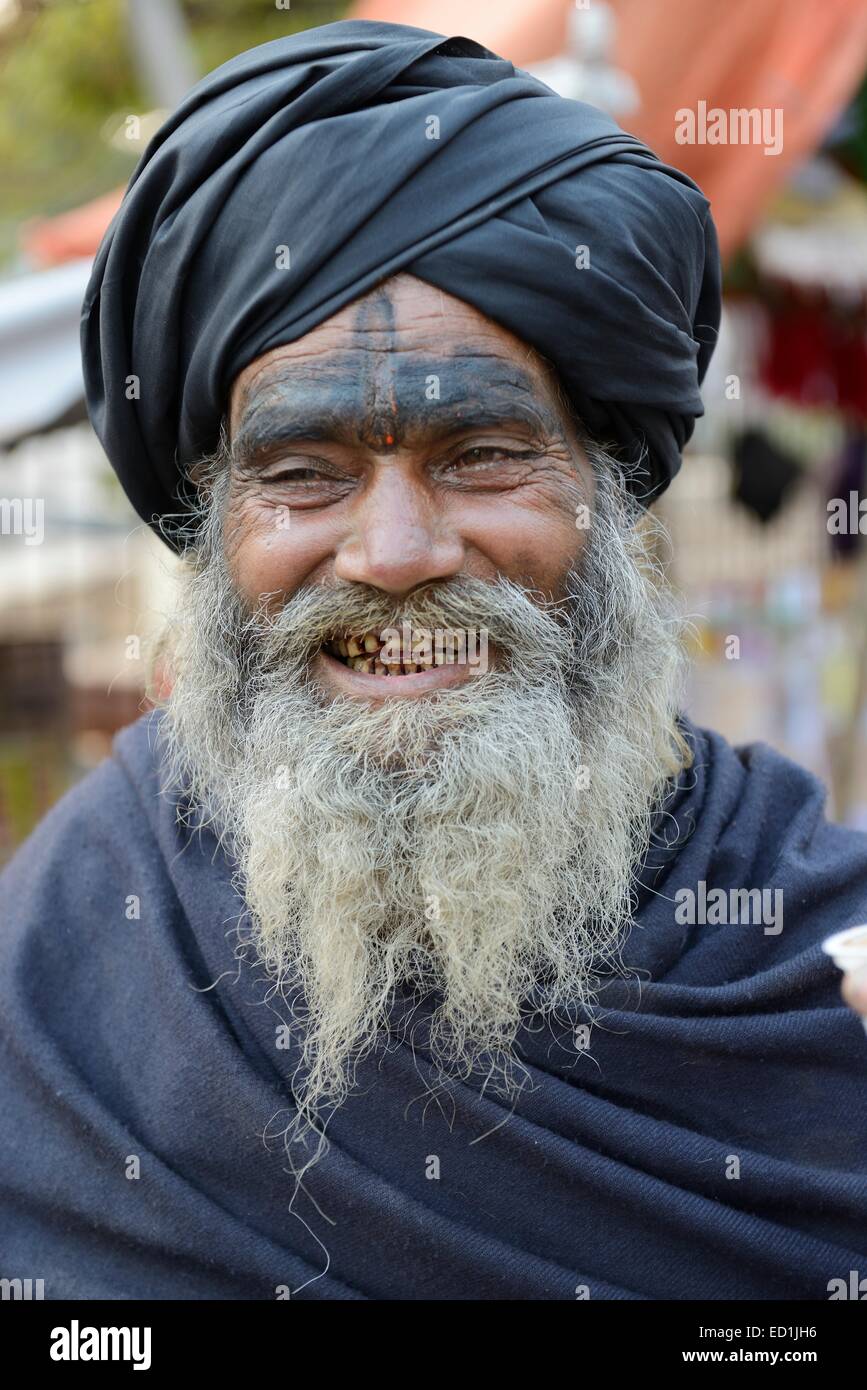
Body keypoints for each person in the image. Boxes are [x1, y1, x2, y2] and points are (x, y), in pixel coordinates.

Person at [0, 19, 864, 1301]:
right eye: (303, 476)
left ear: (612, 493)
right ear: (213, 521)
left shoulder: (817, 970)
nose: (395, 554)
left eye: (482, 457)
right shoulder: (72, 949)